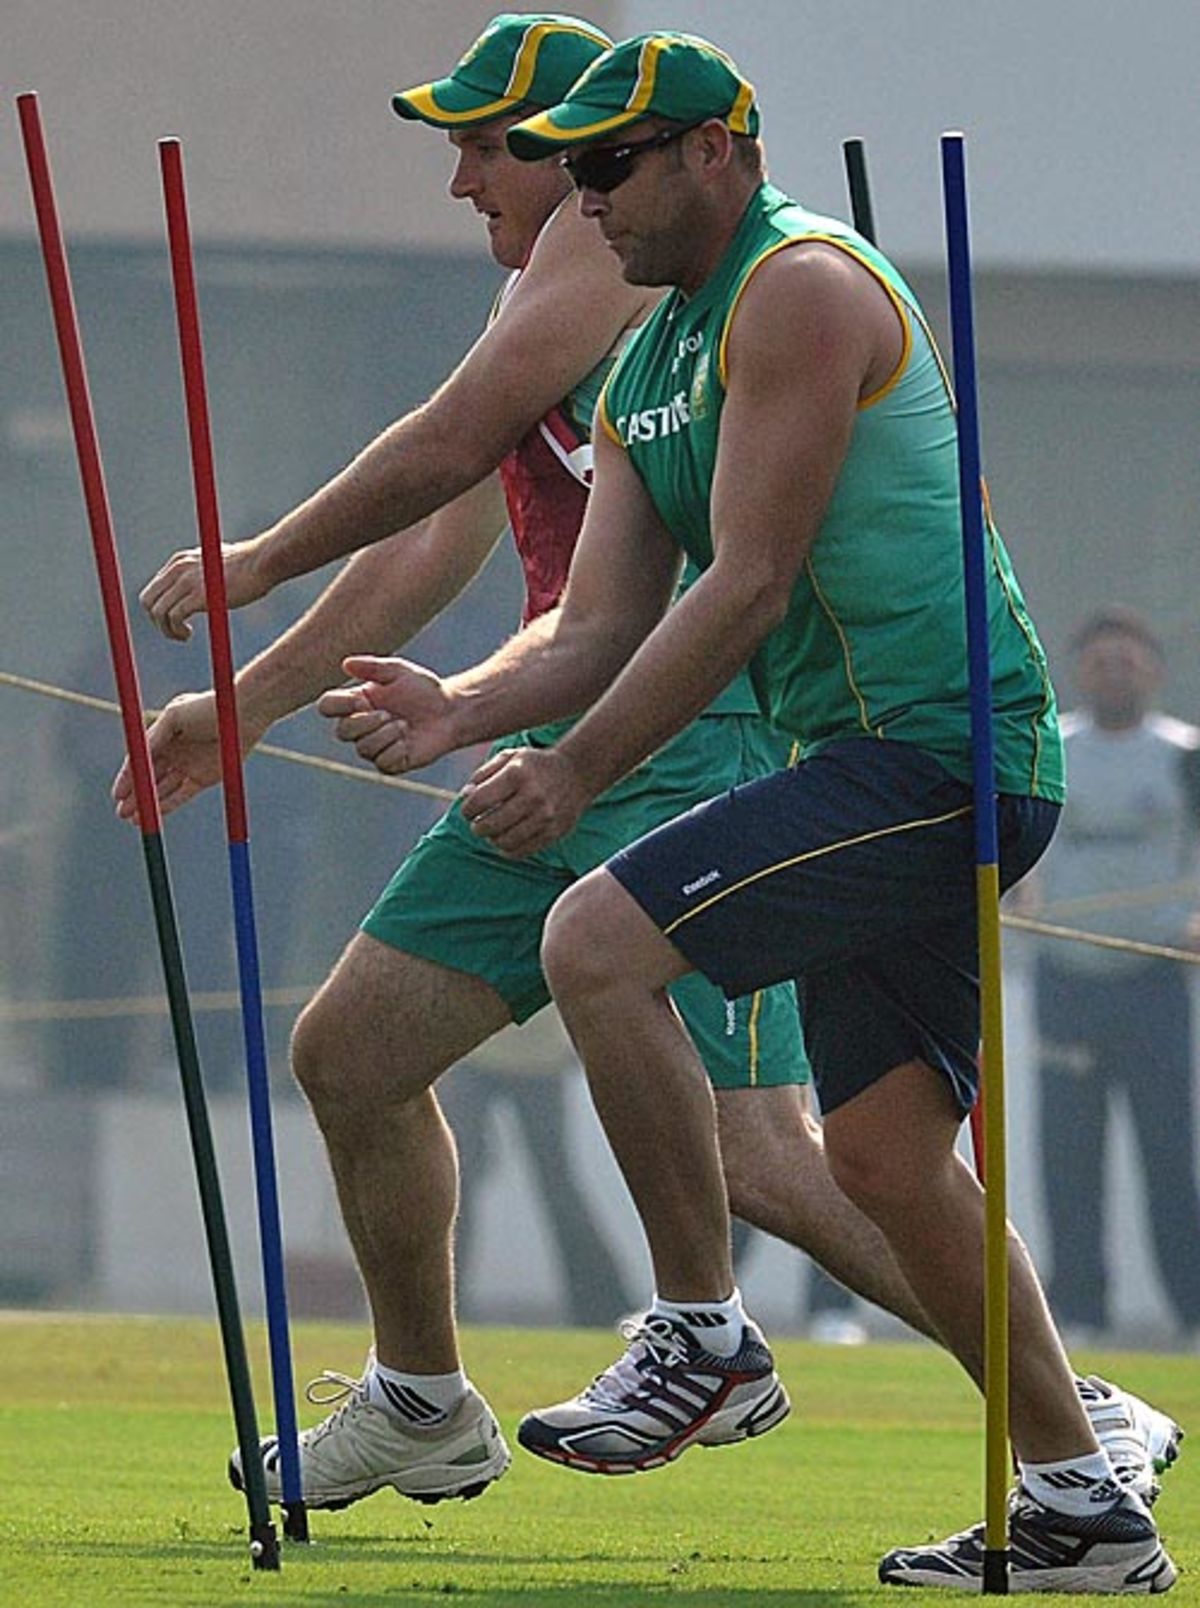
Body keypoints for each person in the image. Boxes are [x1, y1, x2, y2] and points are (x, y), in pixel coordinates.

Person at [319, 33, 1180, 1591]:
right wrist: (461, 710)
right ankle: (1084, 1506)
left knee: (597, 941)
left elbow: (750, 581)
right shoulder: (651, 364)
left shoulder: (800, 286)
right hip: (852, 770)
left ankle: (702, 1335)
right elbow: (594, 628)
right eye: (572, 168)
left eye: (612, 165)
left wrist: (577, 771)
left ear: (716, 150)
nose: (590, 201)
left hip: (939, 755)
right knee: (884, 1167)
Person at [115, 11, 955, 1516]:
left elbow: (441, 449)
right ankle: (424, 1406)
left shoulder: (598, 253)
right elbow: (434, 544)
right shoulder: (554, 295)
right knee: (352, 1056)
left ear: (573, 155)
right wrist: (237, 711)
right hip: (554, 731)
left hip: (696, 736)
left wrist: (253, 561)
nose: (459, 182)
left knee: (762, 1153)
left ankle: (1062, 1404)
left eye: (479, 145)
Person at [1031, 606, 1200, 1346]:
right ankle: (1081, 1314)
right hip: (1065, 980)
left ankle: (1192, 1313)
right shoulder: (1049, 750)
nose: (1114, 673)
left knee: (1170, 1152)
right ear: (1080, 673)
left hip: (1153, 984)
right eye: (1100, 662)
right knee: (1068, 1155)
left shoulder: (1186, 756)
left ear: (1153, 672)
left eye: (1127, 662)